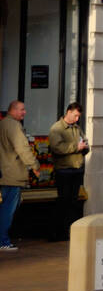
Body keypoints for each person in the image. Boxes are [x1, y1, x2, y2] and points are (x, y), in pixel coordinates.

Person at [0, 101, 39, 250]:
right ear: (13, 110)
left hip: (4, 173)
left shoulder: (2, 124)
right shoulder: (14, 126)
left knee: (4, 207)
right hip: (12, 174)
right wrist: (34, 165)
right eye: (22, 110)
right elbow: (23, 149)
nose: (25, 112)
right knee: (8, 209)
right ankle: (3, 241)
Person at [48, 102, 89, 241]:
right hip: (64, 170)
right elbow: (57, 148)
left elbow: (84, 141)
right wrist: (76, 147)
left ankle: (69, 231)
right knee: (63, 202)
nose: (77, 119)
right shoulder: (57, 128)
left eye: (79, 116)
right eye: (76, 115)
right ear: (69, 112)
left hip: (76, 170)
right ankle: (57, 232)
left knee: (73, 202)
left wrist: (85, 147)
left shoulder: (77, 128)